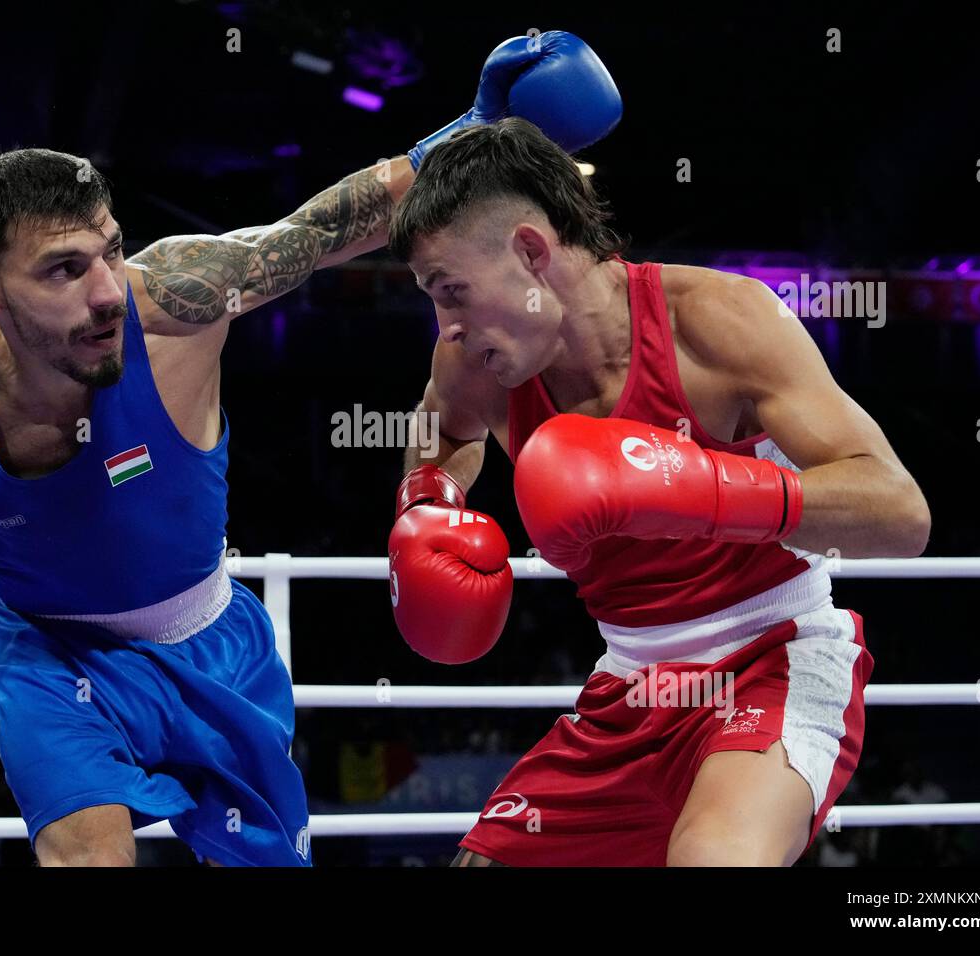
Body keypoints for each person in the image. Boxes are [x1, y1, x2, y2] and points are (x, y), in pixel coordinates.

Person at [0, 33, 623, 866]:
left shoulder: (178, 301)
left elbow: (321, 228)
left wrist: (475, 130)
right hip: (47, 655)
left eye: (110, 250)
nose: (108, 291)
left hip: (210, 639)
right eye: (64, 271)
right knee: (86, 855)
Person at [386, 117, 931, 866]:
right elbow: (441, 431)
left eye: (452, 292)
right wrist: (425, 500)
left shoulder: (720, 321)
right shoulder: (475, 360)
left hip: (770, 657)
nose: (445, 326)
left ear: (531, 252)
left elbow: (900, 511)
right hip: (630, 687)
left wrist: (709, 488)